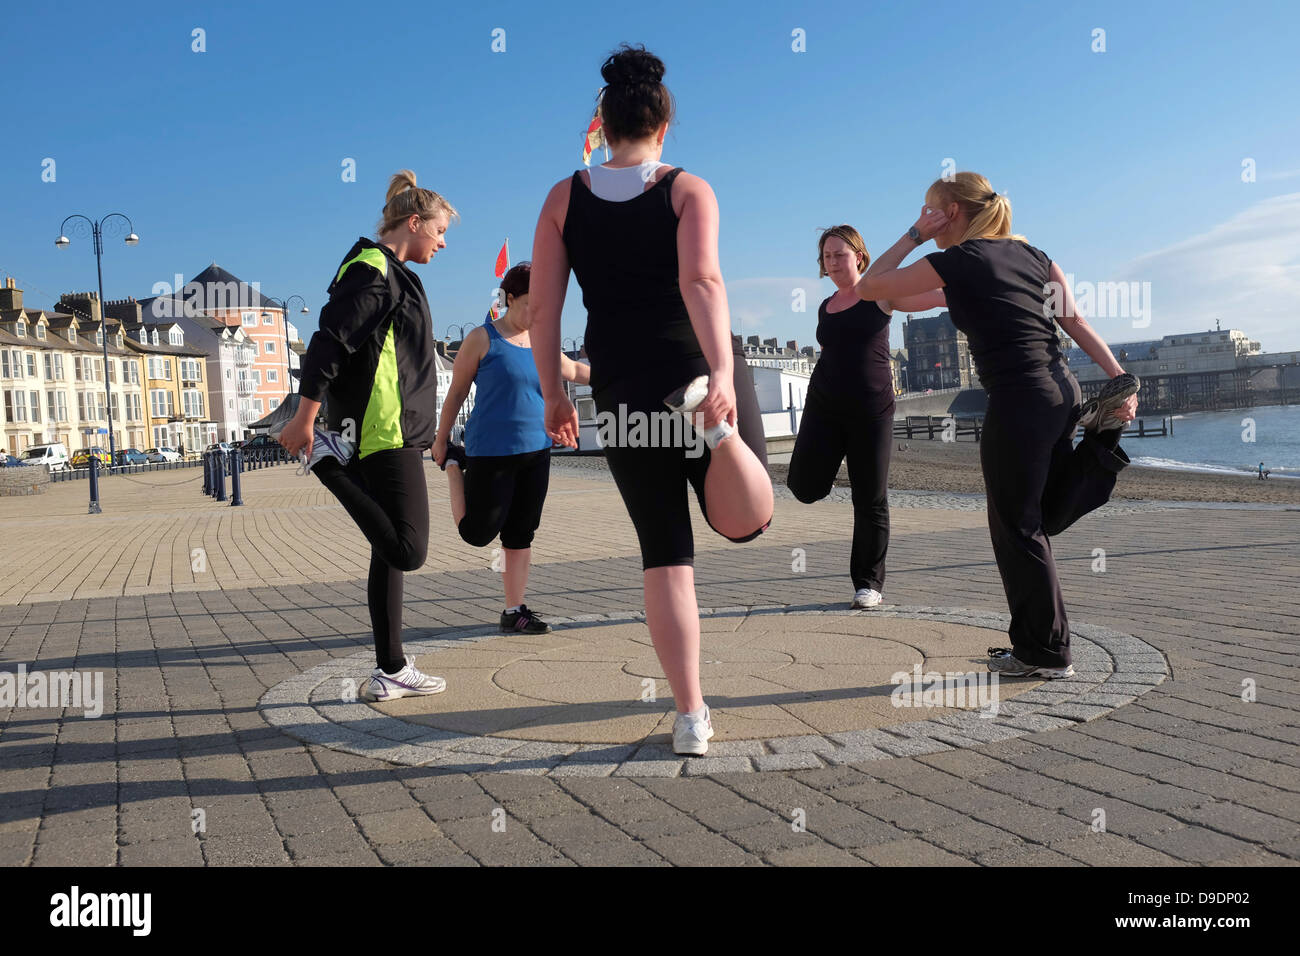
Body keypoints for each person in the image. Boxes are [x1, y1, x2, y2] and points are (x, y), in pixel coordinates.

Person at [529, 44, 775, 755]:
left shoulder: (561, 198)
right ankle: (721, 438)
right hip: (693, 367)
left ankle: (691, 716)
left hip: (623, 387)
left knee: (666, 555)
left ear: (601, 125)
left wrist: (555, 395)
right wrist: (723, 375)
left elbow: (545, 310)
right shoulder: (687, 189)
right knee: (746, 522)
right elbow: (702, 283)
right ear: (663, 127)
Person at [857, 171, 1139, 680]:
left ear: (951, 213)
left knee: (1017, 526)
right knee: (1037, 518)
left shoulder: (958, 260)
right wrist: (1121, 378)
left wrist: (913, 236)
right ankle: (1098, 439)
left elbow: (869, 286)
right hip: (1063, 391)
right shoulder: (1034, 258)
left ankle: (1045, 654)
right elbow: (1074, 323)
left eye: (930, 210)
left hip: (1020, 401)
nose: (925, 219)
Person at [274, 169, 454, 702]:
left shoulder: (386, 268)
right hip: (382, 430)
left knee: (387, 550)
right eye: (440, 231)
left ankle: (391, 669)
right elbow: (329, 342)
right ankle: (326, 464)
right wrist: (305, 420)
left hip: (388, 427)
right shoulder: (374, 269)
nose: (443, 243)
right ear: (414, 222)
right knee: (408, 550)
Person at [786, 225, 944, 609]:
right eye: (827, 256)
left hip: (871, 412)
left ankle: (868, 583)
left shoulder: (880, 295)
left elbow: (937, 295)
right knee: (803, 487)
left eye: (840, 254)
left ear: (859, 256)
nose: (833, 262)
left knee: (870, 498)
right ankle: (836, 469)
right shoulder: (826, 306)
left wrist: (974, 284)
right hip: (824, 405)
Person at [434, 262, 591, 634]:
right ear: (508, 298)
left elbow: (577, 372)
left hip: (536, 451)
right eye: (529, 306)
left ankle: (514, 610)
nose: (536, 314)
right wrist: (442, 441)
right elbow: (456, 392)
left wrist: (625, 373)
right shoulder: (481, 339)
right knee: (477, 533)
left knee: (521, 532)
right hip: (489, 451)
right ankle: (455, 468)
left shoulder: (543, 342)